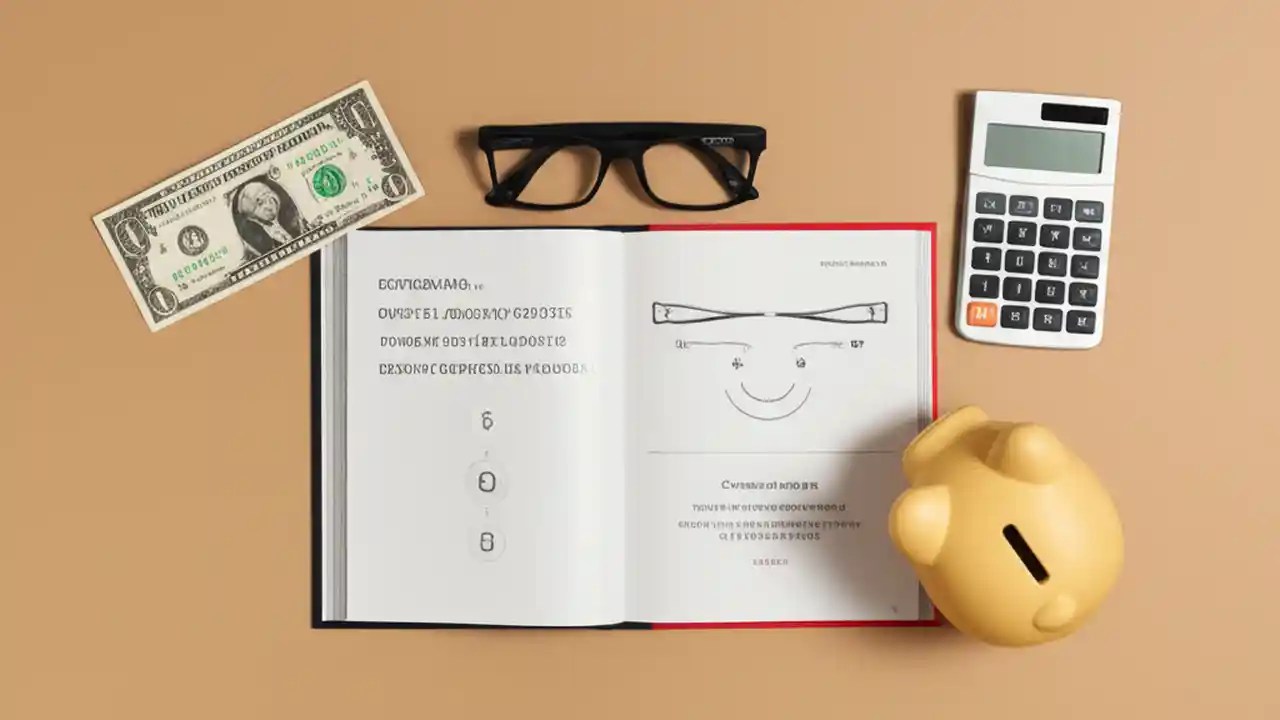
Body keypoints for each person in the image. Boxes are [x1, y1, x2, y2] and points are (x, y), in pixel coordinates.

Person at [229, 177, 306, 258]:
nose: (269, 203)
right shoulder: (262, 245)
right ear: (251, 218)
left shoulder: (296, 221)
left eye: (268, 193)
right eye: (260, 203)